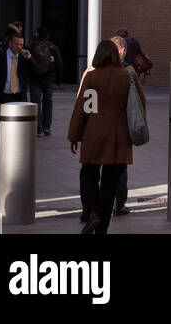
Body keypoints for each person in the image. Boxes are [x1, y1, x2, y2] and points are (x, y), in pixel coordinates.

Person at [68, 39, 147, 235]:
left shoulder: (92, 77)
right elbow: (140, 103)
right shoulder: (128, 75)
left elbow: (83, 109)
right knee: (110, 183)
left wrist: (74, 135)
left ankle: (92, 210)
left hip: (94, 133)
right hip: (119, 136)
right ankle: (102, 228)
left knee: (88, 174)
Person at [0, 29, 33, 159]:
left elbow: (36, 71)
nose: (19, 47)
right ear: (9, 43)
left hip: (17, 95)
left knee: (16, 125)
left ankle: (12, 151)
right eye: (16, 44)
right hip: (1, 95)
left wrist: (29, 58)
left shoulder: (24, 58)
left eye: (21, 44)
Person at [28, 25, 63, 137]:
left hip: (34, 78)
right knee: (48, 102)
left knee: (36, 103)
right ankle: (46, 127)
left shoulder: (30, 46)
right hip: (49, 78)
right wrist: (59, 80)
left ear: (36, 34)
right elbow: (59, 64)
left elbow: (25, 63)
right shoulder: (53, 47)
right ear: (48, 36)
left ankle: (38, 129)